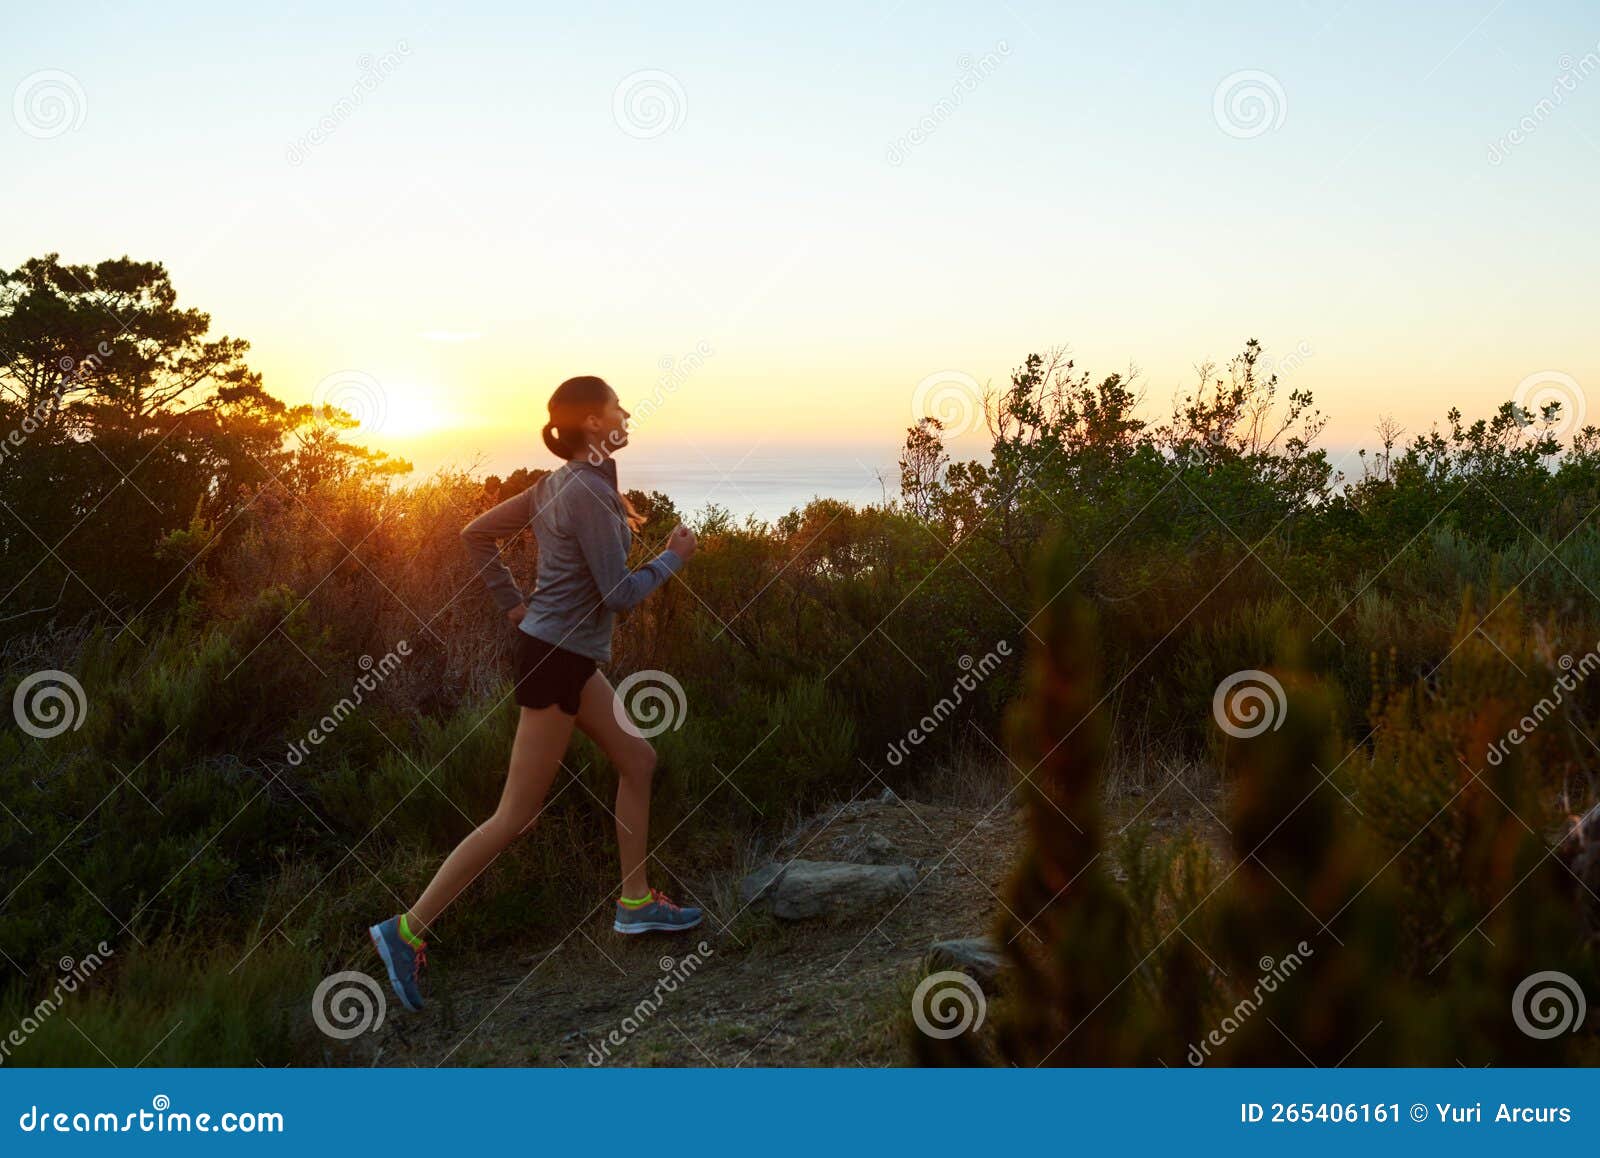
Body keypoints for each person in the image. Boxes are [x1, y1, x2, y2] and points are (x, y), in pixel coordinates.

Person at [369, 375, 701, 1012]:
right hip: (555, 661)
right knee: (514, 815)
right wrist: (672, 558)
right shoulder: (580, 492)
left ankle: (634, 902)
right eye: (616, 405)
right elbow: (617, 596)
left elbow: (475, 533)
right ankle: (405, 930)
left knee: (638, 760)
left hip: (566, 655)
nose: (627, 411)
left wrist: (517, 606)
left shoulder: (567, 485)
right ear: (594, 423)